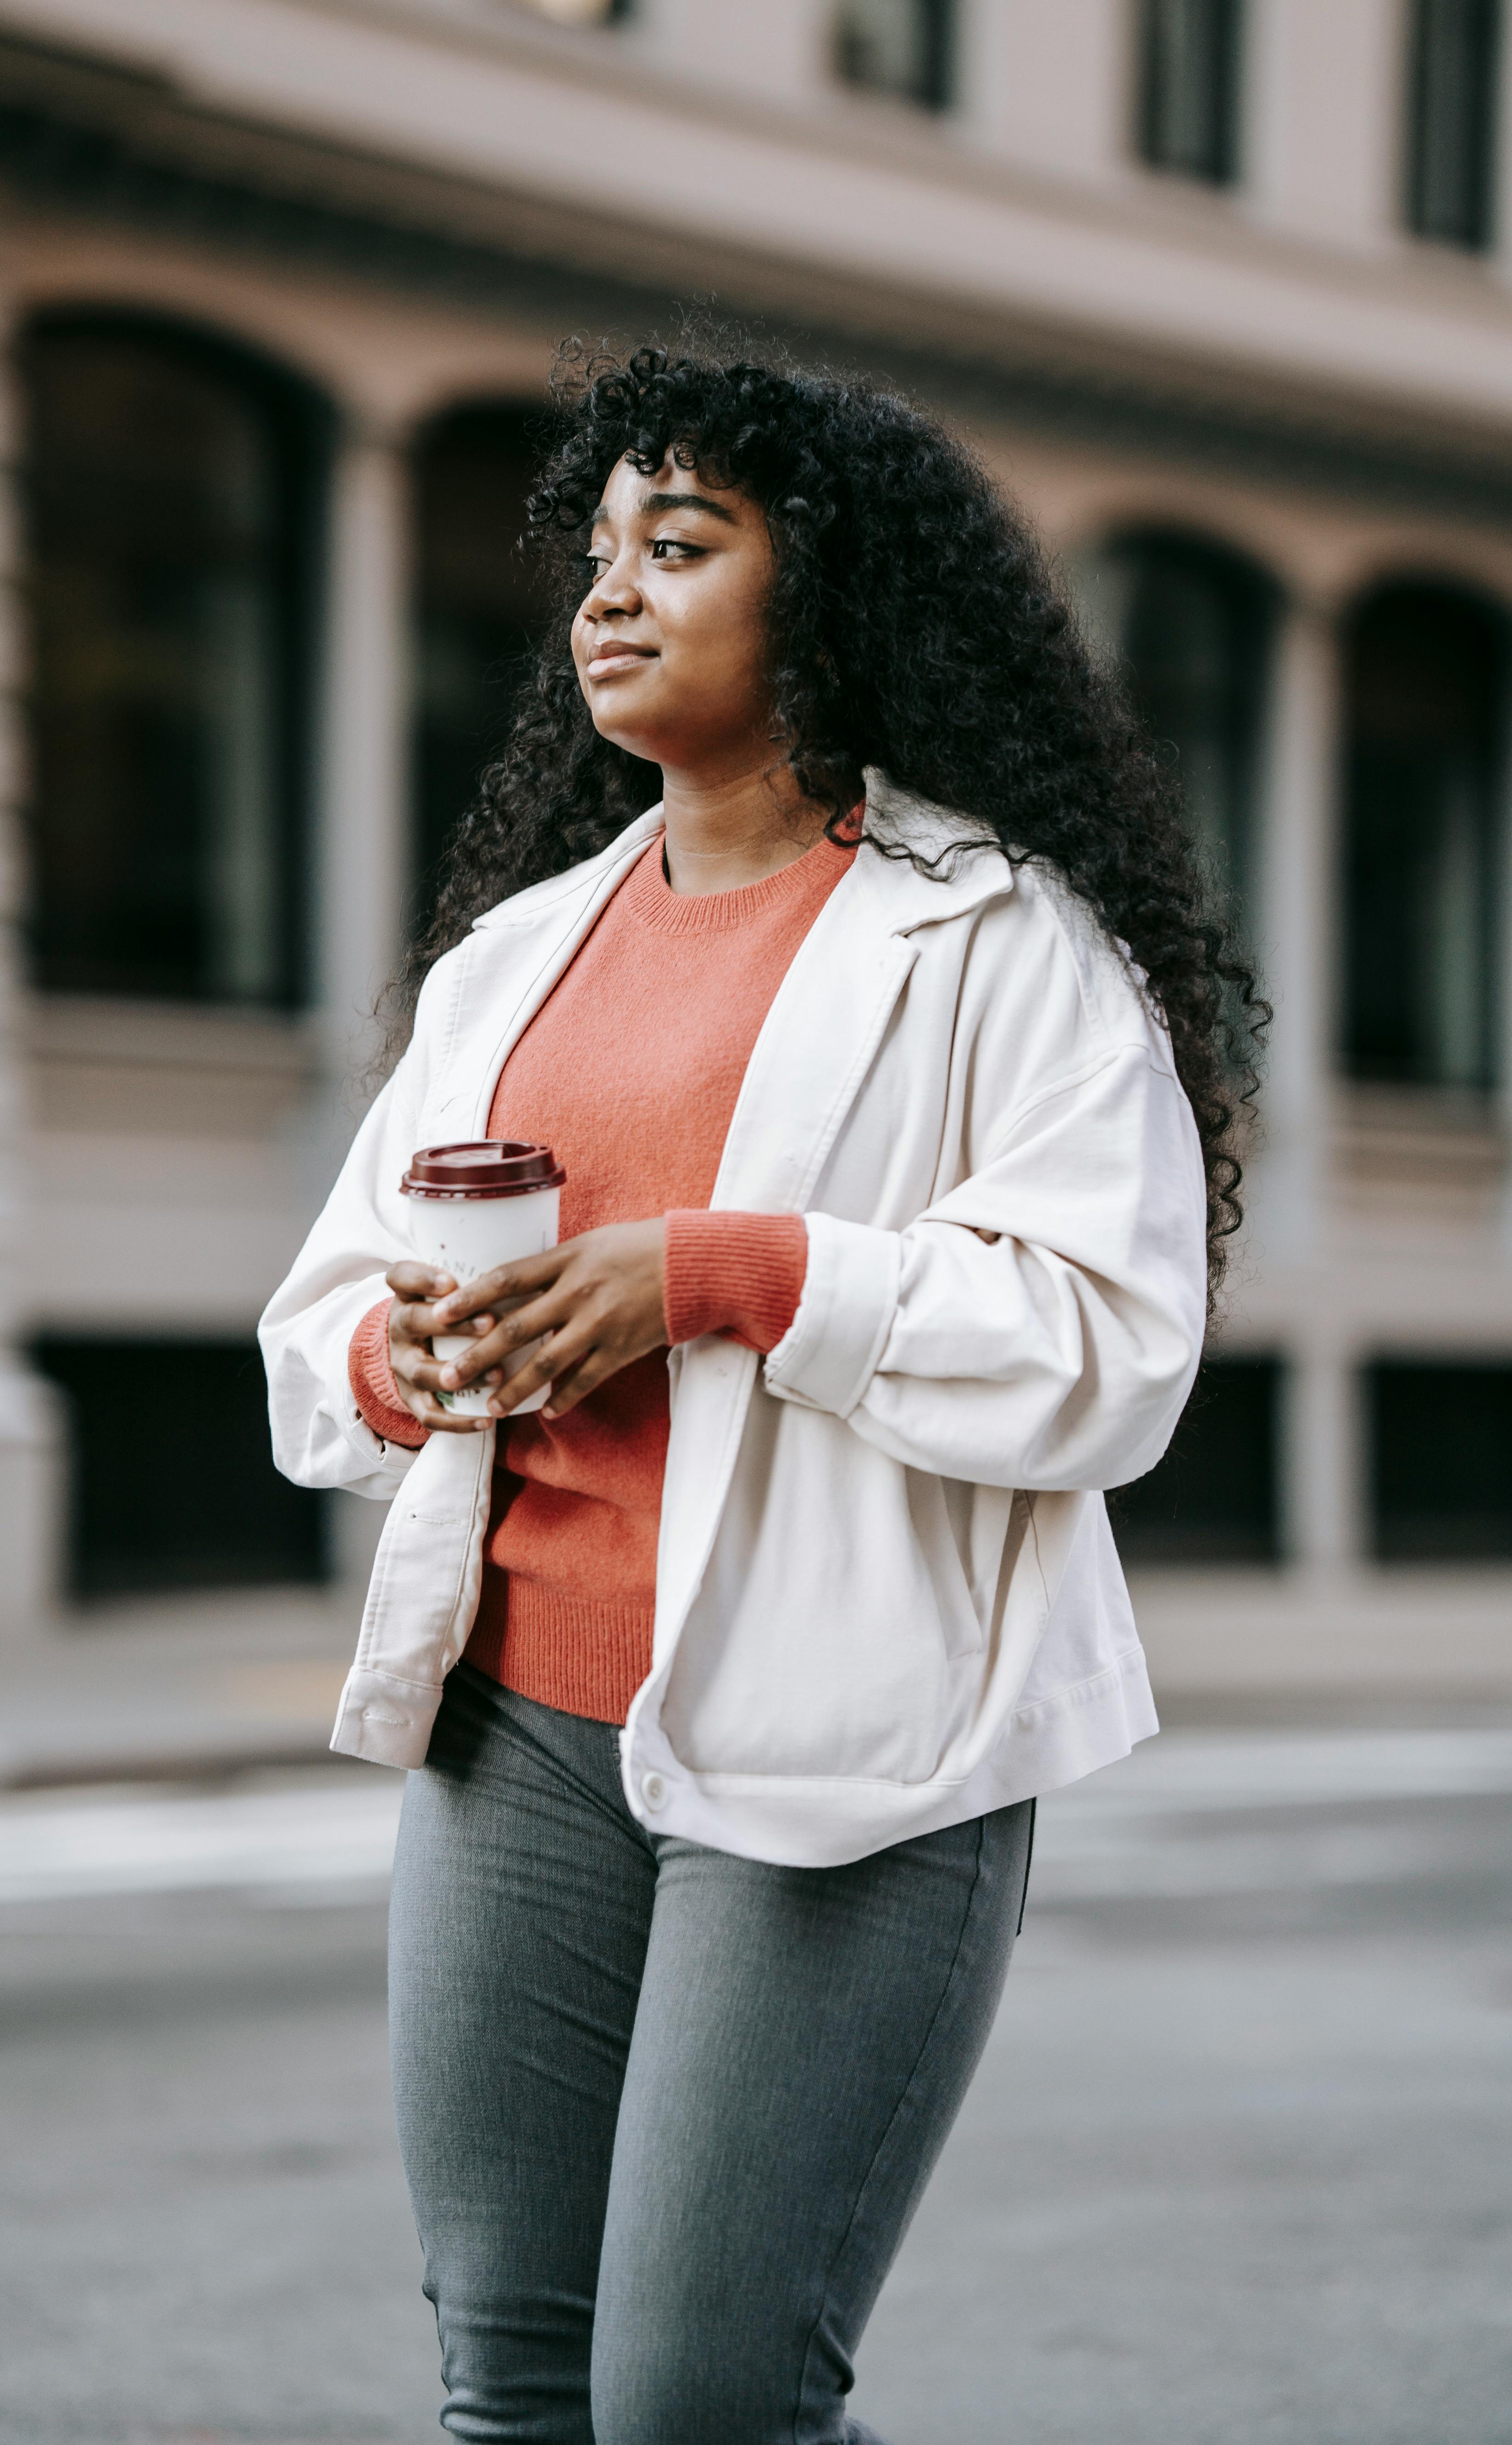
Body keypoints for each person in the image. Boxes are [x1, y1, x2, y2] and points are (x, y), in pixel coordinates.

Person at [260, 345, 1260, 2445]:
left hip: (858, 1737)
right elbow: (321, 1321)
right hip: (514, 1724)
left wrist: (722, 1273)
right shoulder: (512, 958)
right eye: (598, 554)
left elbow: (1110, 1345)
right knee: (512, 2386)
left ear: (831, 594)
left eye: (682, 547)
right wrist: (395, 1351)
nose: (607, 594)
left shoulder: (998, 937)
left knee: (705, 2400)